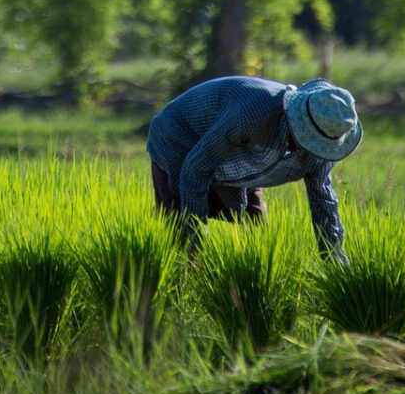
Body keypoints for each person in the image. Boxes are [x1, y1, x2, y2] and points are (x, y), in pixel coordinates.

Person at [146, 76, 361, 263]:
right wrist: (197, 238)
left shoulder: (324, 143)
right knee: (181, 238)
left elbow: (323, 200)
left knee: (257, 233)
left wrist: (334, 258)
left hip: (238, 157)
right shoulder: (252, 115)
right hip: (179, 135)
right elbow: (195, 171)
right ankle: (171, 301)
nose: (315, 151)